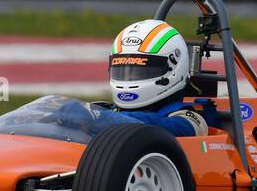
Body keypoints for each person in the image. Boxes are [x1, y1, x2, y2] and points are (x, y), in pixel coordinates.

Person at [95, 19, 224, 137]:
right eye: (122, 70)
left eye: (143, 71)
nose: (130, 78)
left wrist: (103, 119)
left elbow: (158, 127)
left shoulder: (189, 120)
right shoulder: (107, 113)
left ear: (174, 70)